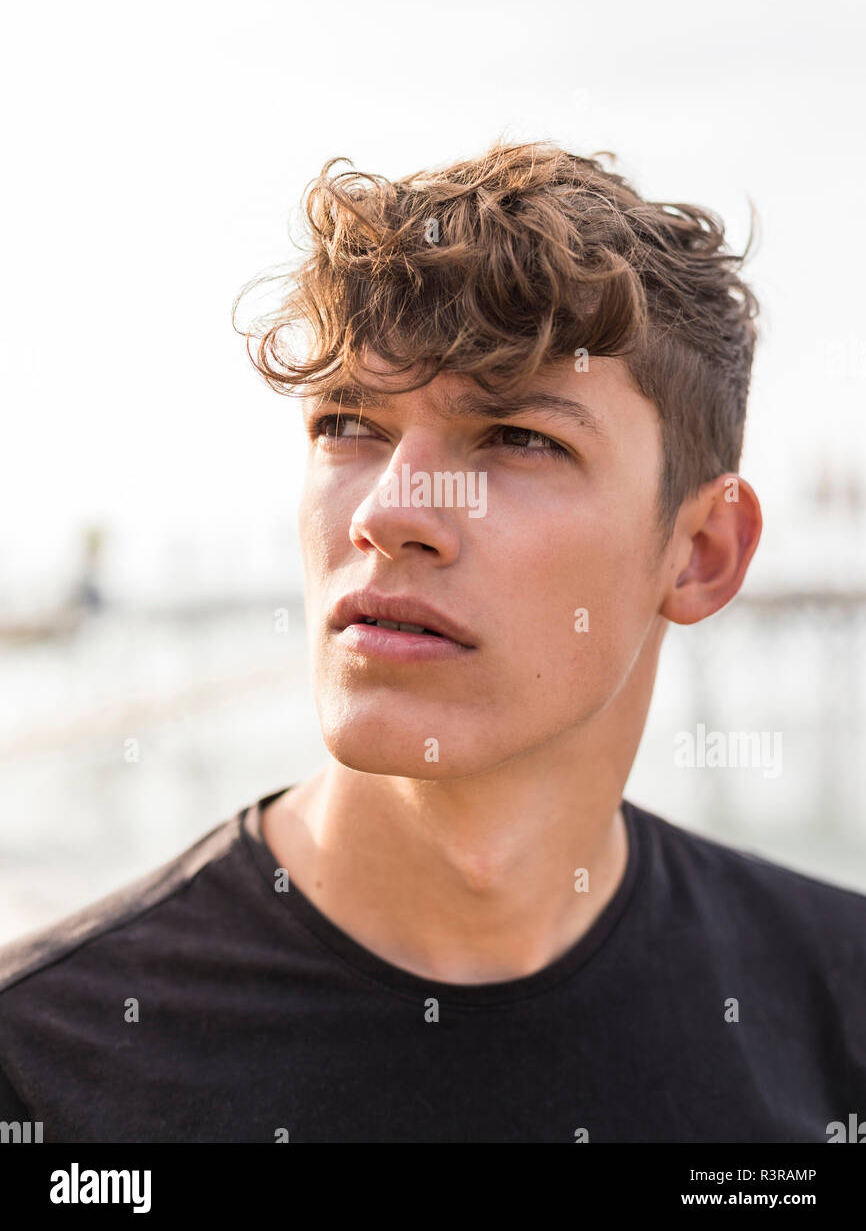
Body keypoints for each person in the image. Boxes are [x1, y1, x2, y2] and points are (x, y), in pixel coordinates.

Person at [1, 140, 864, 1144]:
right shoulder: (43, 1069)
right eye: (346, 425)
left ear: (701, 551)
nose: (389, 511)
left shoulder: (835, 1011)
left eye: (517, 438)